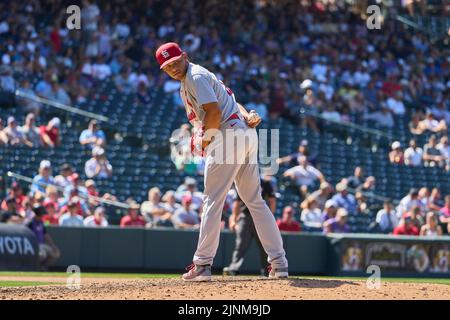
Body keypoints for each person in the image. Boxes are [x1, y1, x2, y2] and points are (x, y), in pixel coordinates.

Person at [156, 42, 288, 281]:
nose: (173, 68)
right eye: (168, 67)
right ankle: (279, 263)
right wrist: (246, 114)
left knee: (212, 200)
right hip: (244, 134)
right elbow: (230, 100)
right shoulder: (197, 76)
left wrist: (205, 140)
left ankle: (203, 265)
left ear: (185, 56)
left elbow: (215, 113)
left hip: (227, 136)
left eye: (175, 62)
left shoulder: (194, 76)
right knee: (255, 201)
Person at [223, 178, 277, 277]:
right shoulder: (245, 181)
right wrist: (234, 219)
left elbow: (272, 199)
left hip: (260, 217)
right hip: (245, 217)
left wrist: (270, 217)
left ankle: (267, 270)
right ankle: (233, 269)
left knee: (264, 246)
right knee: (240, 245)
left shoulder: (265, 183)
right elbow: (238, 202)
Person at [27, 205, 60, 270]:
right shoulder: (30, 223)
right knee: (42, 254)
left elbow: (46, 235)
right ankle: (35, 267)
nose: (42, 216)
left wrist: (52, 245)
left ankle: (43, 266)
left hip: (42, 245)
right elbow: (27, 235)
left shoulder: (41, 222)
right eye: (41, 214)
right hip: (34, 245)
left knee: (56, 253)